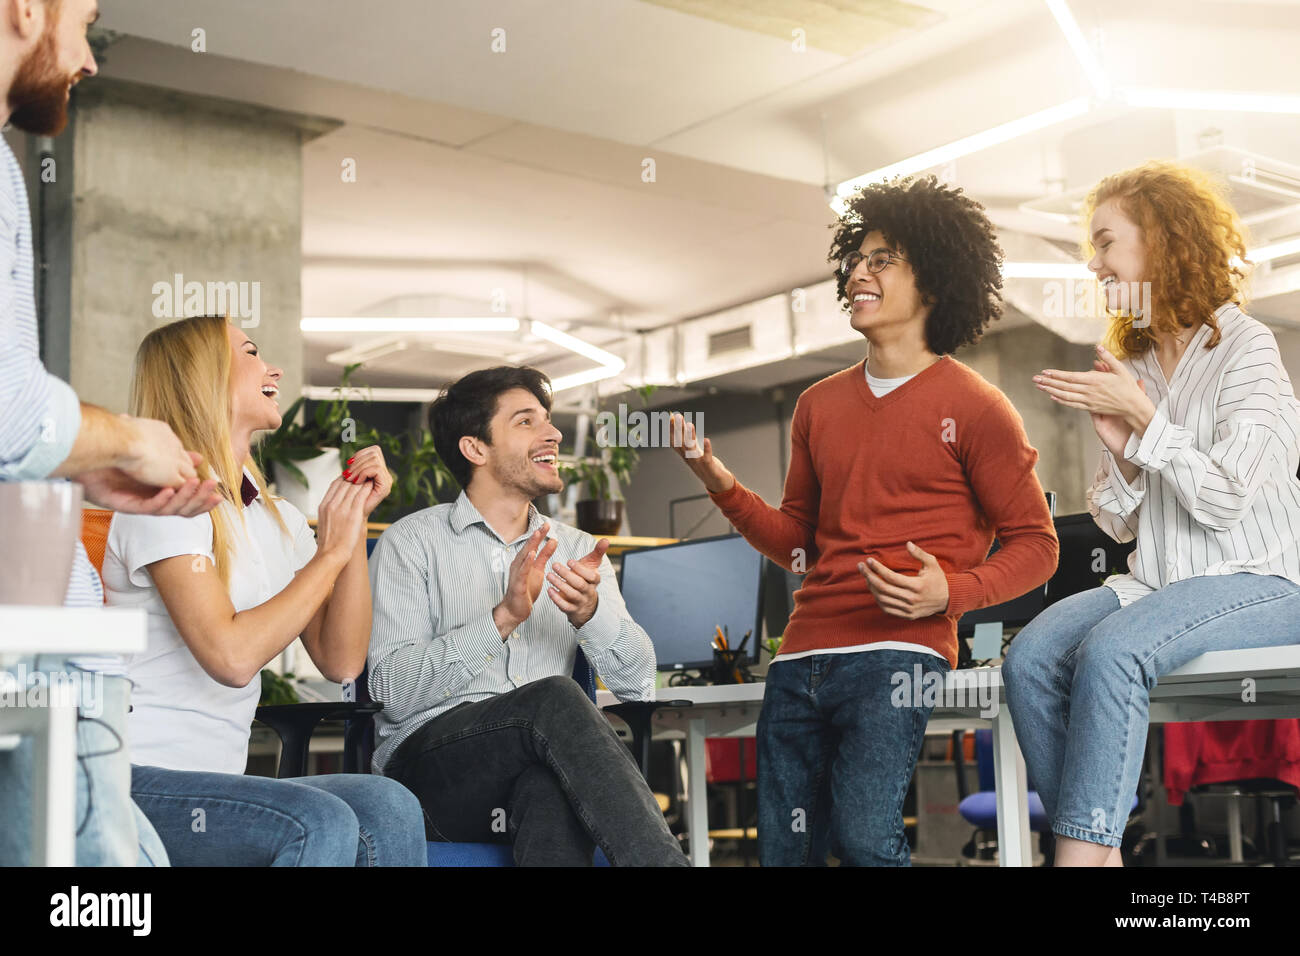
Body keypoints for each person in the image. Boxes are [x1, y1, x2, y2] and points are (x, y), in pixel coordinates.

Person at [669, 175, 1059, 865]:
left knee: (862, 839)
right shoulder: (818, 405)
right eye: (856, 259)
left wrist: (954, 593)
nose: (857, 272)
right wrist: (721, 484)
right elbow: (797, 541)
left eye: (882, 259)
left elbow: (1037, 544)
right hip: (802, 655)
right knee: (788, 852)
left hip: (897, 655)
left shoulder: (976, 406)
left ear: (932, 282)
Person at [1004, 161, 1300, 866]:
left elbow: (1227, 498)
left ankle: (1077, 860)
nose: (1094, 262)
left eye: (1106, 242)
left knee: (1113, 649)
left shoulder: (1247, 349)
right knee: (1031, 659)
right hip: (1161, 584)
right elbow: (1114, 521)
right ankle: (1103, 843)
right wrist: (1129, 453)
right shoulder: (1133, 363)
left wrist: (1150, 424)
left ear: (1163, 241)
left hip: (1260, 579)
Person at [0, 0, 222, 867]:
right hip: (38, 663)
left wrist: (78, 466)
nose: (90, 58)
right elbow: (11, 407)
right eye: (84, 20)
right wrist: (126, 439)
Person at [102, 314, 426, 866]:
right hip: (134, 780)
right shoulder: (166, 497)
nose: (273, 367)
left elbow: (342, 661)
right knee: (317, 819)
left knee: (385, 804)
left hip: (218, 784)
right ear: (204, 377)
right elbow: (230, 657)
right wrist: (327, 554)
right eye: (251, 353)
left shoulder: (274, 517)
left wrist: (348, 530)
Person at [367, 365, 687, 866]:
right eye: (526, 421)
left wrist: (591, 613)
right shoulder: (410, 543)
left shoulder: (579, 550)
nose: (553, 433)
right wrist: (502, 618)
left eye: (548, 420)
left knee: (546, 787)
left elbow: (639, 684)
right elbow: (393, 692)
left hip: (537, 767)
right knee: (555, 697)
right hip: (433, 776)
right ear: (476, 449)